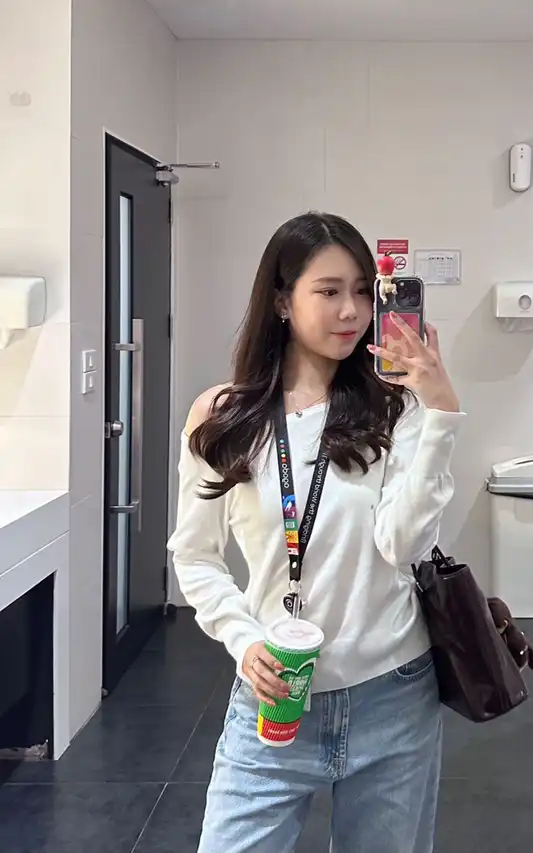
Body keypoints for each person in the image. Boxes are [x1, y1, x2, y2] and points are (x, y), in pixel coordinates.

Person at [167, 211, 464, 853]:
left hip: (392, 695)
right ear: (282, 301)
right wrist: (244, 640)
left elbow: (405, 547)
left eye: (361, 290)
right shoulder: (223, 416)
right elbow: (194, 556)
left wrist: (440, 412)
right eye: (328, 291)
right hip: (273, 697)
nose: (351, 310)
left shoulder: (396, 407)